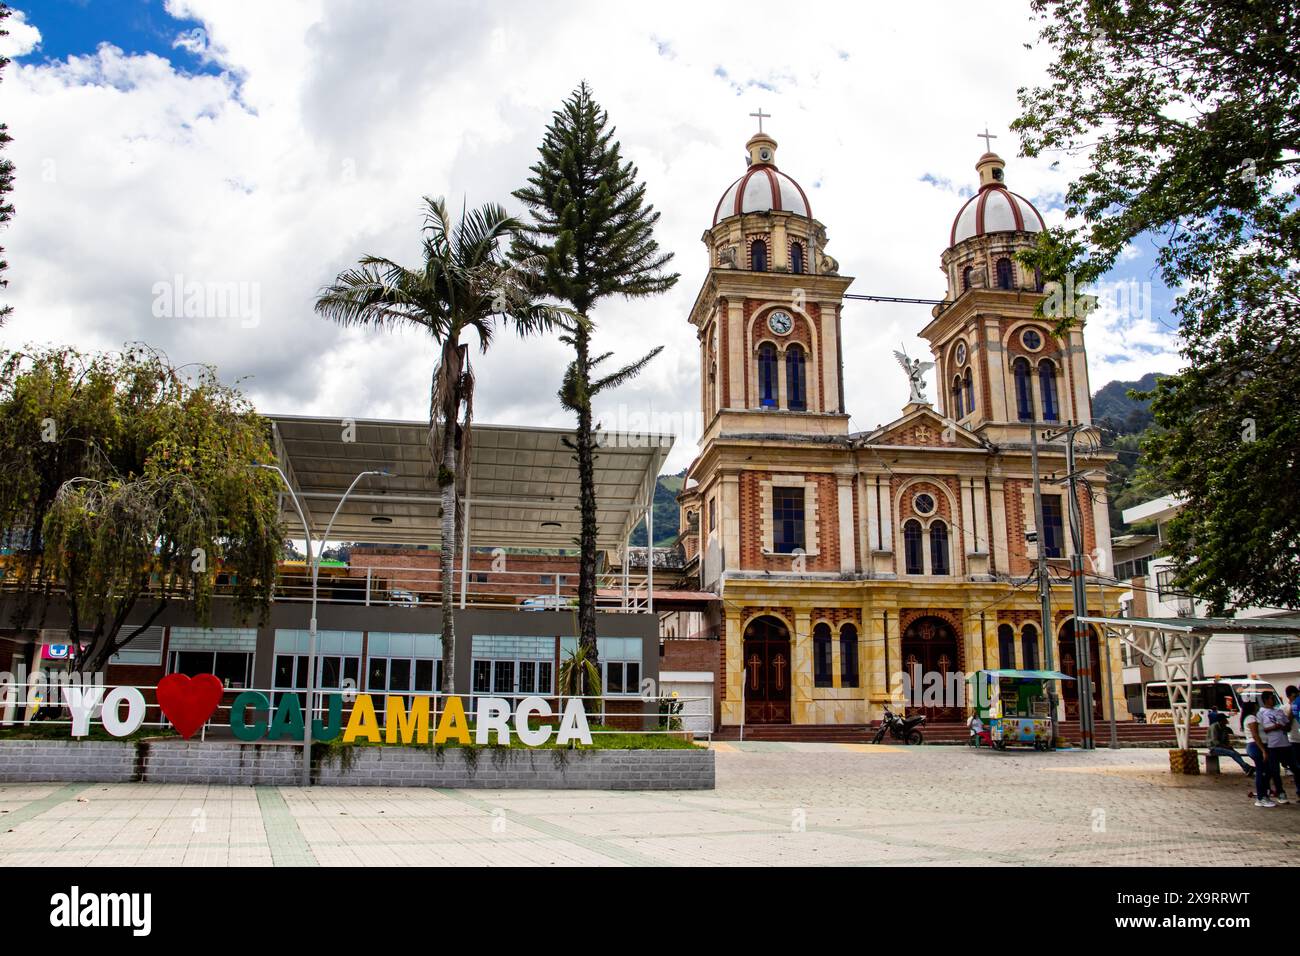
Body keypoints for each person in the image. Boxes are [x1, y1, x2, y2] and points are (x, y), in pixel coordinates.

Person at [1244, 700, 1284, 807]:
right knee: (1262, 772)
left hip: (1259, 746)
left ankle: (1264, 794)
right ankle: (1261, 797)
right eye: (1256, 705)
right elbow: (1255, 735)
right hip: (1256, 746)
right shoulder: (1251, 718)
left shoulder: (1252, 718)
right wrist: (1263, 750)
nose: (1258, 706)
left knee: (1266, 771)